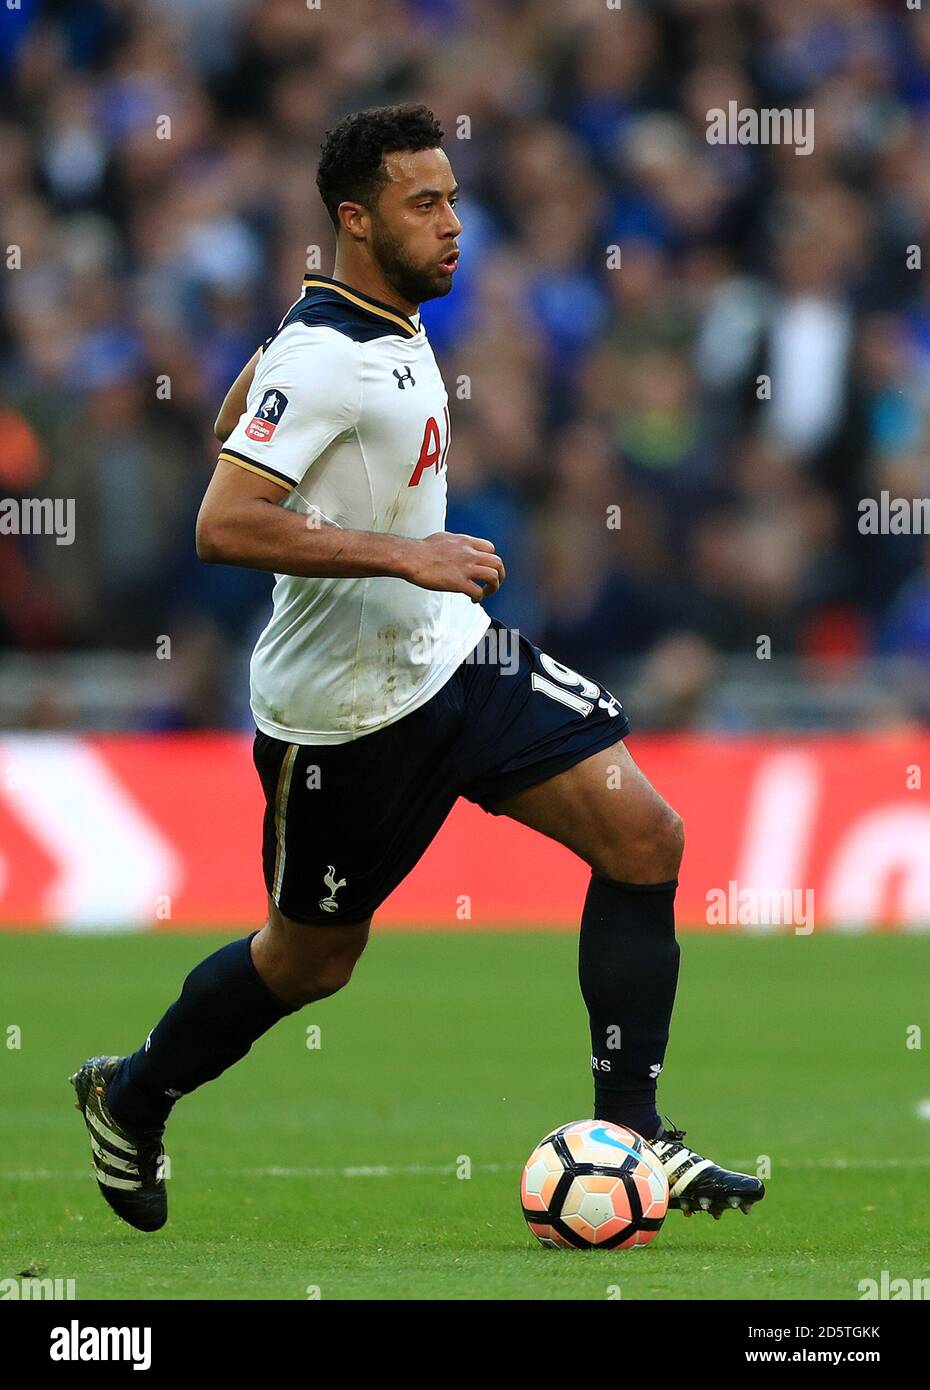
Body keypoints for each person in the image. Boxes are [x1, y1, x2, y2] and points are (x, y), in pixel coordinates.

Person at [71, 104, 763, 1232]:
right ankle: (133, 1096)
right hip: (340, 717)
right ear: (356, 219)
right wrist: (407, 552)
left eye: (454, 198)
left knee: (647, 837)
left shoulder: (373, 316)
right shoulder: (326, 352)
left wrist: (396, 552)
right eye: (424, 204)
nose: (454, 225)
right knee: (308, 962)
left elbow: (234, 421)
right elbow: (223, 520)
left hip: (452, 657)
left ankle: (634, 1141)